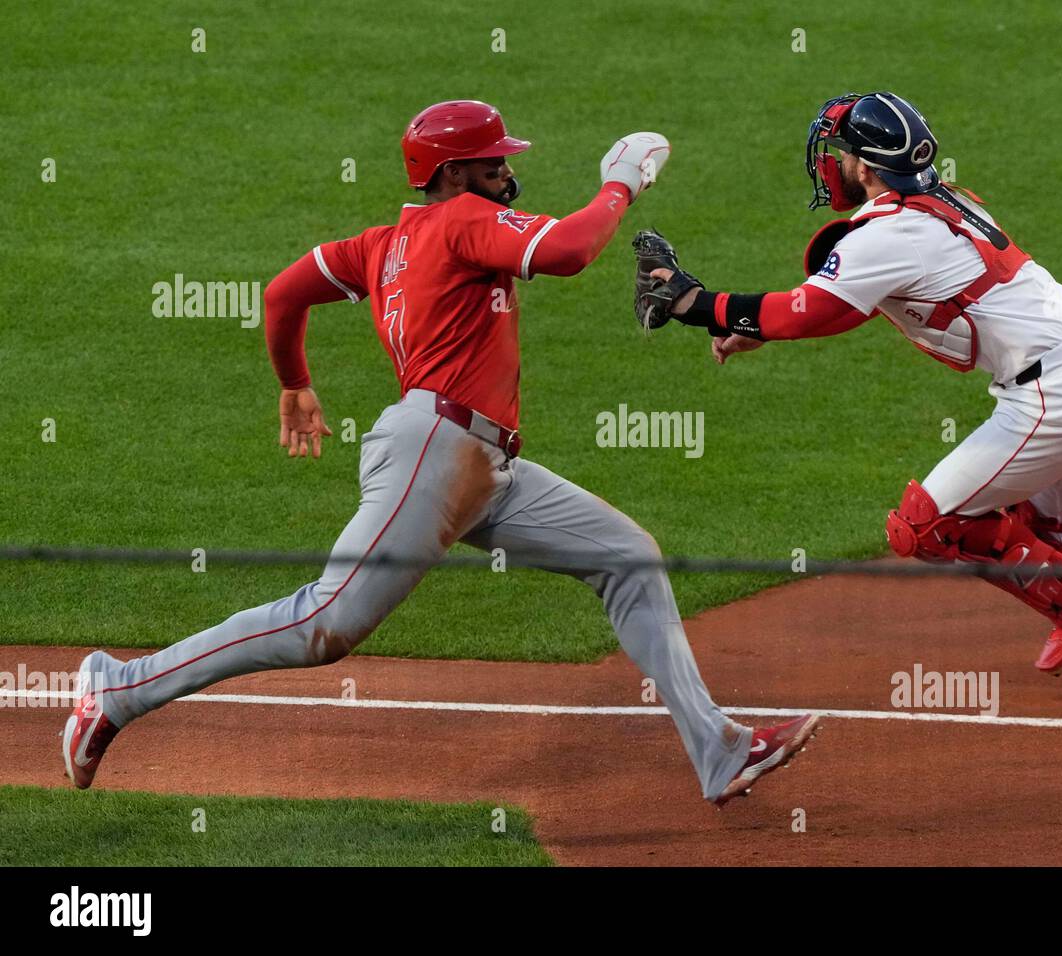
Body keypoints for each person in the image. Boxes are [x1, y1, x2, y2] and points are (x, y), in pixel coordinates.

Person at [63, 100, 818, 805]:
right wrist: (622, 180)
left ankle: (720, 750)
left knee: (629, 559)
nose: (506, 173)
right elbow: (572, 250)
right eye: (492, 164)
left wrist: (294, 382)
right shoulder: (461, 220)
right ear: (452, 176)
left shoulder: (380, 244)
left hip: (486, 467)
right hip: (435, 450)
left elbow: (282, 293)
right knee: (321, 625)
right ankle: (119, 687)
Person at [643, 91, 1062, 696]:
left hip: (1055, 395)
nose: (830, 165)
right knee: (1055, 539)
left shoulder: (888, 234)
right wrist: (754, 328)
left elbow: (808, 310)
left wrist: (693, 304)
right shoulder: (943, 203)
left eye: (838, 154)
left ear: (864, 166)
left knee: (926, 526)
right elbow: (843, 307)